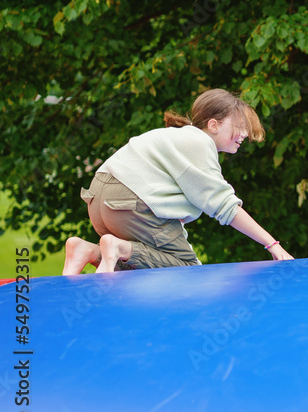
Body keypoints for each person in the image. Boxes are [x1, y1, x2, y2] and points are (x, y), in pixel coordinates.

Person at [63, 89, 294, 274]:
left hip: (98, 200)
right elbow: (224, 206)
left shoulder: (176, 137)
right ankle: (118, 246)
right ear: (213, 125)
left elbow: (171, 224)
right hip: (128, 203)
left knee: (146, 260)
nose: (245, 134)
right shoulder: (199, 143)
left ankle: (90, 251)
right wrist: (272, 244)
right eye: (240, 127)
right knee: (189, 271)